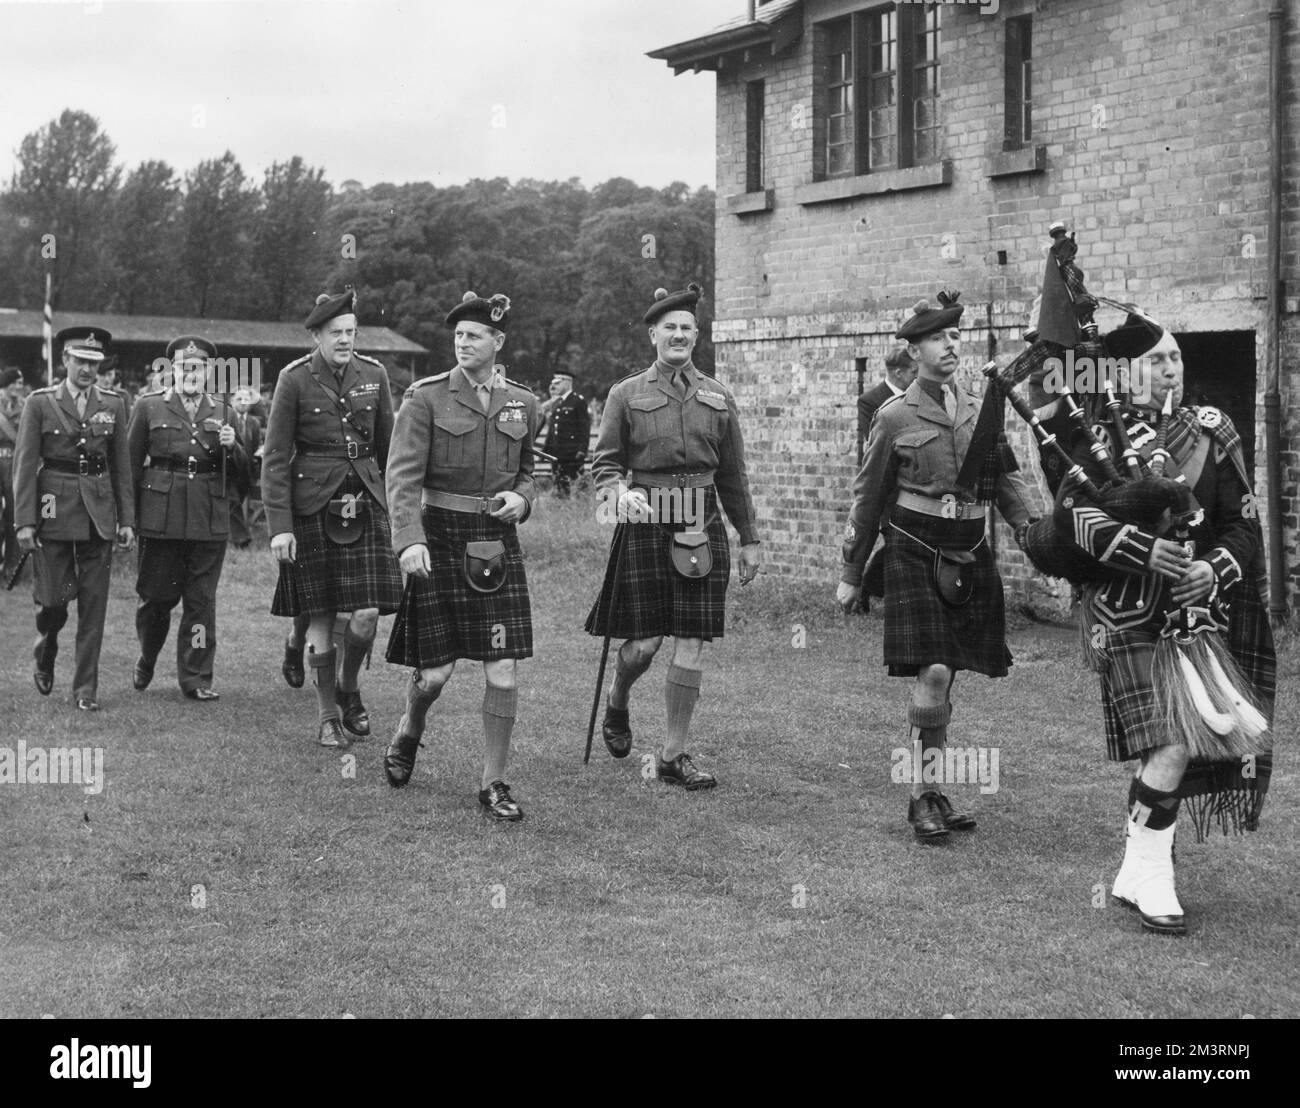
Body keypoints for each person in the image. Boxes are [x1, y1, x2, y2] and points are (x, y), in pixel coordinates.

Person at [1042, 315, 1276, 935]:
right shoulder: (1094, 434)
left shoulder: (1212, 430)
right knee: (1171, 739)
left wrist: (1213, 569)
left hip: (1194, 616)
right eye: (1156, 359)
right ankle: (1153, 875)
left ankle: (1136, 871)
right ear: (1124, 371)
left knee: (1176, 745)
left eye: (1176, 356)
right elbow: (1072, 520)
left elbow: (1244, 524)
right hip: (1122, 611)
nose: (1171, 368)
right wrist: (1138, 549)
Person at [836, 291, 1035, 840]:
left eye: (953, 336)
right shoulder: (895, 416)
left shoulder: (979, 405)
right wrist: (852, 573)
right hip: (914, 547)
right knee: (936, 670)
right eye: (937, 338)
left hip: (969, 548)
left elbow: (1008, 478)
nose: (949, 345)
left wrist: (1032, 531)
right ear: (915, 350)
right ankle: (920, 796)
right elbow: (867, 498)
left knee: (946, 680)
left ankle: (935, 787)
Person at [585, 283, 761, 790]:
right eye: (670, 328)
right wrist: (618, 494)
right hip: (646, 517)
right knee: (644, 644)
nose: (678, 336)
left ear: (696, 336)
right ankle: (619, 699)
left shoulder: (718, 396)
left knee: (692, 639)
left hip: (701, 520)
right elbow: (605, 466)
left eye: (687, 328)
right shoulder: (626, 394)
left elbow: (733, 474)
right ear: (653, 336)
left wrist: (749, 536)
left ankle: (672, 755)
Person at [383, 292, 539, 821]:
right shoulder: (425, 398)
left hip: (495, 542)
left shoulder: (522, 401)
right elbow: (401, 478)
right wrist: (409, 540)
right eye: (459, 336)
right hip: (441, 539)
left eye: (475, 335)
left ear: (498, 342)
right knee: (435, 675)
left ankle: (494, 782)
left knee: (503, 668)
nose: (464, 342)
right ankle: (409, 729)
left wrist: (524, 497)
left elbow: (527, 471)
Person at [261, 291, 403, 747]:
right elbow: (277, 458)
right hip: (313, 506)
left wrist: (399, 509)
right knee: (320, 613)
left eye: (350, 332)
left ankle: (349, 687)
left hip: (364, 499)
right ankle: (327, 716)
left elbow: (390, 450)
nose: (344, 340)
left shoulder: (374, 374)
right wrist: (280, 527)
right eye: (335, 333)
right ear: (318, 335)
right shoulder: (294, 379)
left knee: (365, 614)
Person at [12, 327, 135, 711]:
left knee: (94, 607)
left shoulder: (114, 404)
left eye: (94, 363)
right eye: (80, 361)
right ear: (65, 360)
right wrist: (24, 521)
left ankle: (85, 690)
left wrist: (126, 519)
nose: (87, 369)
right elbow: (25, 464)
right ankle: (46, 645)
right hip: (53, 511)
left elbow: (122, 468)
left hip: (98, 514)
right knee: (53, 601)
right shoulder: (40, 403)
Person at [127, 336, 246, 700]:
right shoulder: (149, 407)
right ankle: (148, 655)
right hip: (160, 518)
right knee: (156, 600)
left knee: (200, 603)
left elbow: (243, 474)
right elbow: (130, 467)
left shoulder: (225, 412)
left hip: (207, 518)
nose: (191, 373)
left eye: (199, 368)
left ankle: (196, 677)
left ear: (209, 371)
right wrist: (127, 521)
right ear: (172, 370)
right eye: (184, 367)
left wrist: (233, 447)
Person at [227, 386, 264, 548]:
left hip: (247, 470)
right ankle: (241, 538)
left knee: (237, 501)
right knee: (233, 501)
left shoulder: (254, 423)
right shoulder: (227, 419)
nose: (243, 403)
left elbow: (257, 445)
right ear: (232, 401)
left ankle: (233, 534)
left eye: (246, 400)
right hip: (230, 469)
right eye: (239, 399)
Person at [858, 346, 917, 444]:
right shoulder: (869, 402)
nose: (917, 376)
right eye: (914, 372)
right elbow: (877, 442)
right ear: (899, 373)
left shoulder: (918, 394)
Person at [544, 371, 591, 496]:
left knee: (573, 485)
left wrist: (582, 449)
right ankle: (560, 507)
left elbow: (584, 428)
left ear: (567, 383)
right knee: (558, 484)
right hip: (556, 452)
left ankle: (574, 508)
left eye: (557, 383)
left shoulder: (577, 401)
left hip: (572, 453)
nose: (554, 387)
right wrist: (547, 449)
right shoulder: (557, 402)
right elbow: (553, 428)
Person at [1, 367, 25, 580]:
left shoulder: (24, 405)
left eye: (21, 383)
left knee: (14, 515)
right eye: (16, 383)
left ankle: (12, 567)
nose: (19, 387)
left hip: (15, 462)